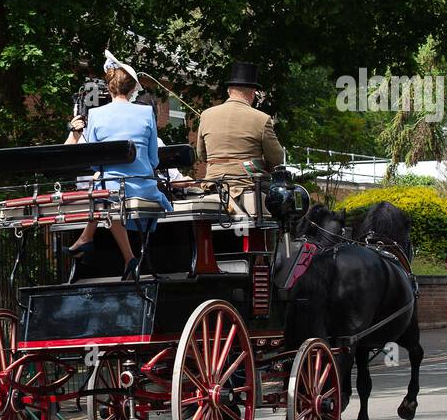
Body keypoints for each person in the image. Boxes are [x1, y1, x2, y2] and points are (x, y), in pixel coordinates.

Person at [65, 52, 172, 279]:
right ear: (133, 89)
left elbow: (94, 162)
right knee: (106, 197)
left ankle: (91, 241)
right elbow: (154, 159)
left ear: (109, 87)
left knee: (104, 197)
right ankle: (127, 258)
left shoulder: (95, 114)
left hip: (111, 191)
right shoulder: (145, 113)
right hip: (143, 186)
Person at [196, 62, 284, 215]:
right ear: (252, 93)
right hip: (247, 186)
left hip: (212, 186)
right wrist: (261, 163)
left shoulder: (206, 115)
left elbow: (201, 155)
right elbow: (277, 158)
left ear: (229, 90)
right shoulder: (261, 119)